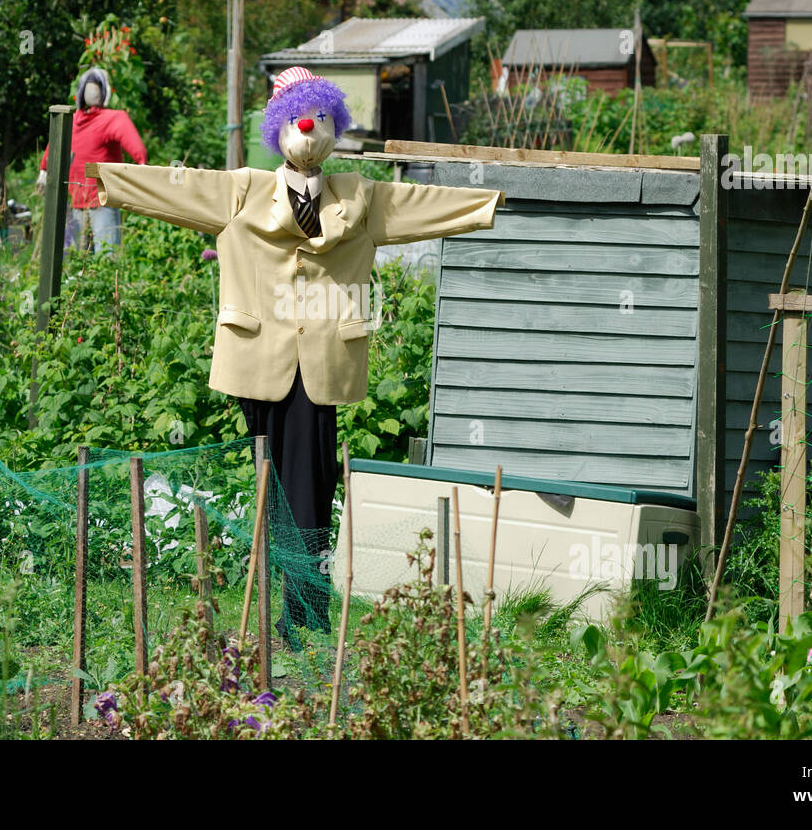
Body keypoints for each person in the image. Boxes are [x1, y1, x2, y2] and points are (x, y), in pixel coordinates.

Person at [88, 67, 503, 646]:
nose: (309, 132)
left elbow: (423, 201)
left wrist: (489, 201)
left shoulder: (358, 197)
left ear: (332, 128)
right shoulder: (243, 191)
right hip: (256, 361)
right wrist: (100, 177)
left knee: (308, 486)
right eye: (299, 123)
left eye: (319, 122)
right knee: (276, 484)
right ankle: (285, 604)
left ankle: (303, 612)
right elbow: (175, 185)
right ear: (280, 130)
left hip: (321, 367)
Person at [38, 67, 147, 252]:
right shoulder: (114, 118)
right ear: (105, 93)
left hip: (77, 201)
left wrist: (43, 173)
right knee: (107, 259)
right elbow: (140, 153)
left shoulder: (70, 121)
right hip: (103, 200)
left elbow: (50, 153)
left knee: (80, 261)